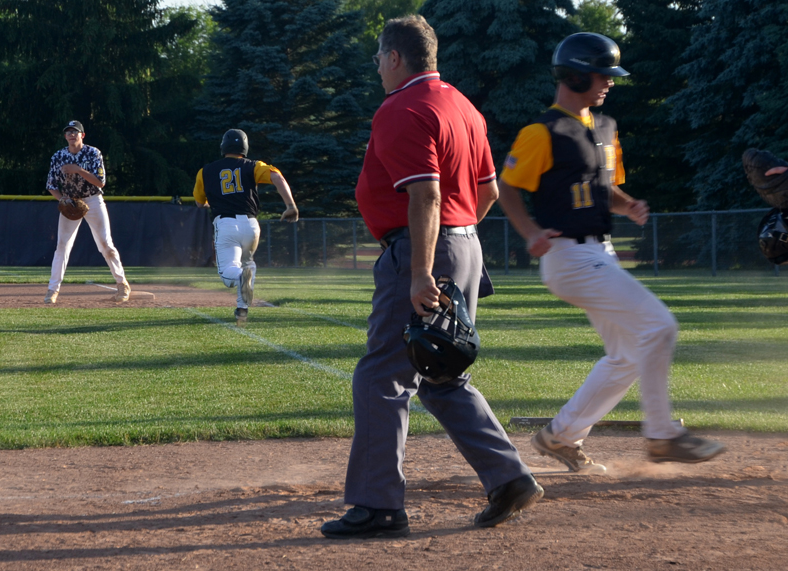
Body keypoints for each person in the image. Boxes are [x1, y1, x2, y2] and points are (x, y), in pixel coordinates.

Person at [321, 15, 543, 540]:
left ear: (396, 57)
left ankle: (378, 506)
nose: (377, 66)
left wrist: (423, 270)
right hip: (465, 244)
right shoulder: (463, 105)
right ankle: (509, 478)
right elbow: (486, 191)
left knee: (381, 376)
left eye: (379, 56)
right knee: (441, 372)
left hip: (424, 249)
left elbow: (424, 194)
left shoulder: (402, 107)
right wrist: (454, 241)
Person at [497, 32, 726, 474]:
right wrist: (529, 232)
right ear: (577, 73)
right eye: (603, 74)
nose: (610, 82)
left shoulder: (605, 127)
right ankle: (662, 436)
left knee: (626, 356)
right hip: (568, 257)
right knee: (660, 327)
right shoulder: (541, 132)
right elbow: (507, 189)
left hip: (601, 253)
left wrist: (628, 204)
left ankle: (561, 436)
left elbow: (604, 187)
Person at [193, 129, 298, 324]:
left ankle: (241, 282)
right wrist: (291, 206)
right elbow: (277, 177)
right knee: (248, 263)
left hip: (226, 224)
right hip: (251, 225)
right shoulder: (253, 165)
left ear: (223, 146)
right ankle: (242, 309)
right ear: (245, 147)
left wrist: (213, 202)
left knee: (228, 274)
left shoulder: (206, 171)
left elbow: (200, 203)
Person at [45, 120, 129, 304]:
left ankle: (122, 283)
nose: (71, 134)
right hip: (70, 202)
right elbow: (51, 185)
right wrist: (62, 199)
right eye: (68, 132)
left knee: (106, 244)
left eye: (75, 132)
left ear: (82, 135)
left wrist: (78, 170)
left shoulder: (93, 153)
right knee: (62, 246)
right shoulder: (58, 156)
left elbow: (100, 182)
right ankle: (52, 290)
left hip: (93, 200)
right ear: (65, 136)